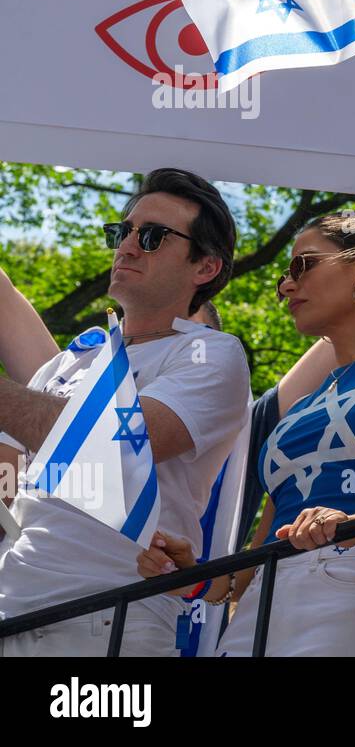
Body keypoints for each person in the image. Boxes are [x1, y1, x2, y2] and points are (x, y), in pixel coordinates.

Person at [137, 209, 355, 656]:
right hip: (260, 606)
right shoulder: (298, 409)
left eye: (304, 264)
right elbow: (258, 555)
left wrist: (353, 526)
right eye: (285, 273)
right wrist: (190, 576)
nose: (285, 285)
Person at [0, 168, 250, 657]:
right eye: (123, 232)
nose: (128, 247)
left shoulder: (212, 352)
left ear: (205, 268)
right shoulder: (68, 359)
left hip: (106, 620)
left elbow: (121, 445)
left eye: (153, 237)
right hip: (11, 607)